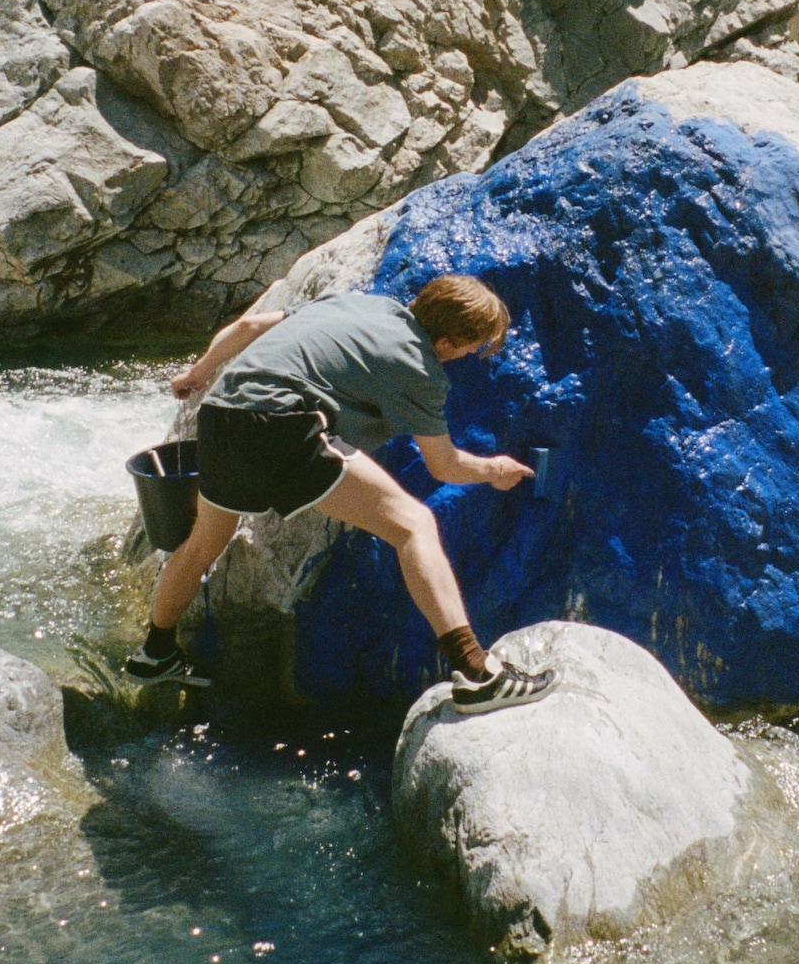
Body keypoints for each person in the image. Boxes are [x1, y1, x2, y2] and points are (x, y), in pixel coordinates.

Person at [124, 274, 559, 715]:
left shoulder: (360, 304)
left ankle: (154, 652)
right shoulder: (420, 367)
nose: (469, 356)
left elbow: (248, 328)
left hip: (221, 415)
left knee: (202, 544)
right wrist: (494, 469)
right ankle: (477, 673)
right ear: (445, 341)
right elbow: (443, 466)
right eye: (471, 348)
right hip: (282, 421)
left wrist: (195, 374)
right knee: (414, 525)